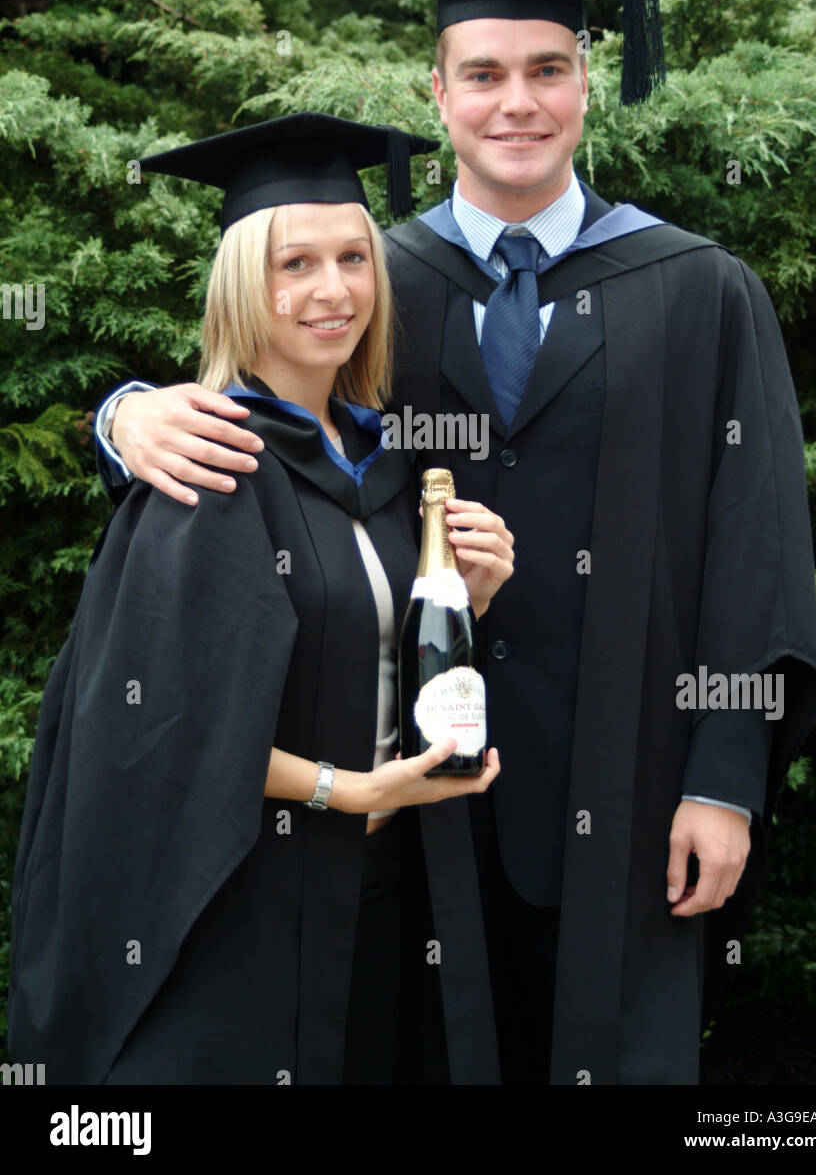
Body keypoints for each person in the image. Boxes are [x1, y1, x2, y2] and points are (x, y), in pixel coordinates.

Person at [85, 0, 816, 1085]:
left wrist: (722, 780)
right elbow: (260, 425)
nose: (514, 103)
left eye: (545, 69)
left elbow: (757, 542)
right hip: (408, 820)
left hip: (627, 796)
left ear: (587, 78)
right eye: (480, 74)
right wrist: (123, 417)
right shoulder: (371, 282)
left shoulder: (698, 288)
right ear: (435, 95)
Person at [7, 112, 515, 1086]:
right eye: (295, 264)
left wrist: (467, 603)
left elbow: (348, 662)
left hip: (379, 896)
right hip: (248, 907)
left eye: (353, 258)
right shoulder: (211, 456)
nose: (332, 291)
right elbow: (165, 729)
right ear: (247, 283)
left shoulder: (382, 462)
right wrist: (350, 792)